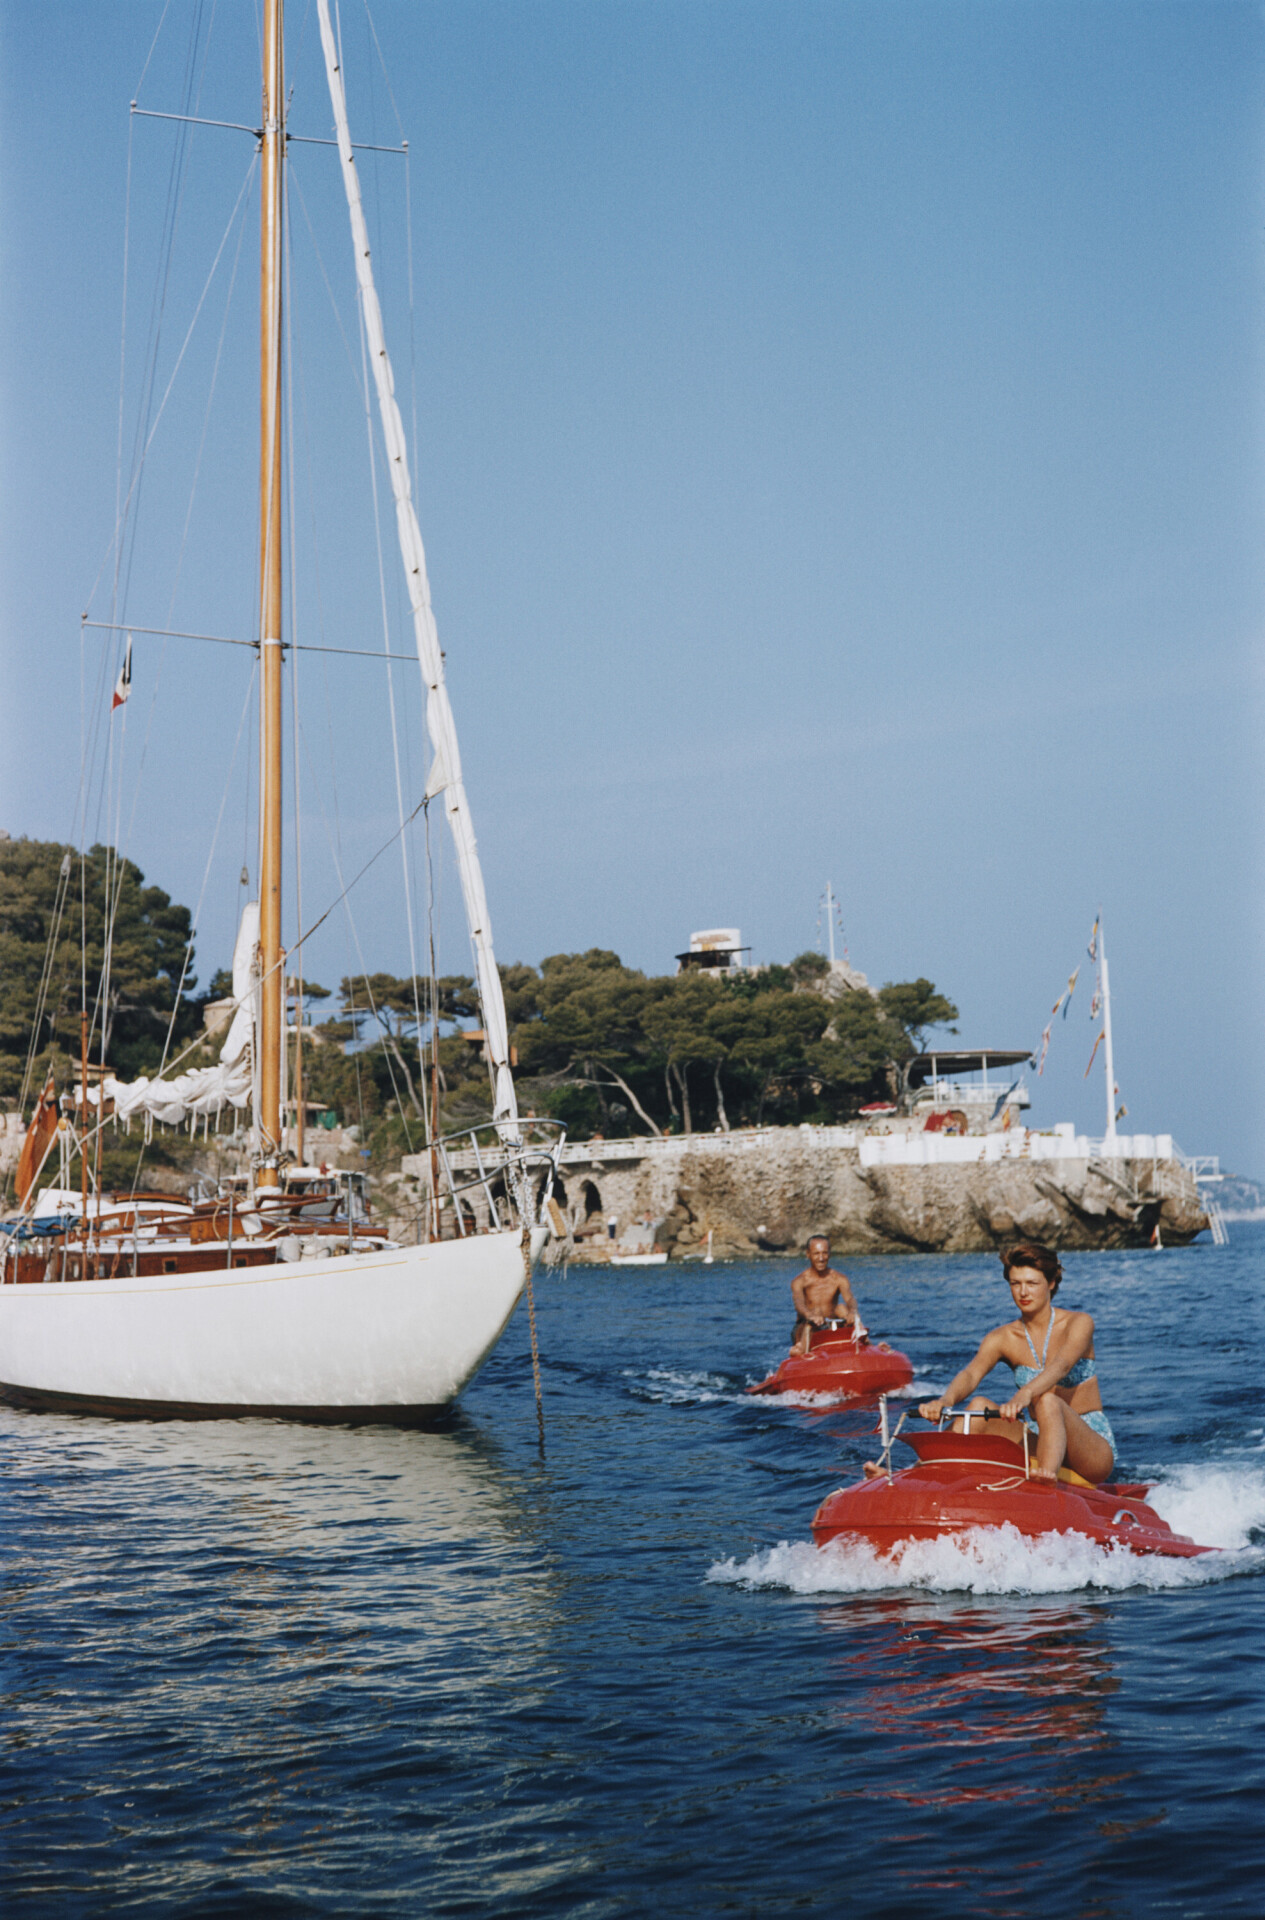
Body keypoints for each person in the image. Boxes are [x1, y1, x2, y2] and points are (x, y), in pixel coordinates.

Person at [917, 1242, 1116, 1483]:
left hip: (1089, 1448)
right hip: (1038, 1437)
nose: (1023, 1292)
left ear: (1051, 1284)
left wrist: (1026, 1393)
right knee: (978, 1407)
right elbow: (971, 1374)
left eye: (1032, 1283)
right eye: (1015, 1283)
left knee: (1047, 1401)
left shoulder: (1079, 1323)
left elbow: (1062, 1364)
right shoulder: (1003, 1338)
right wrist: (945, 1401)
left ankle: (1045, 1480)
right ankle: (916, 1473)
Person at [790, 1236, 866, 1356]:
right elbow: (798, 1302)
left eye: (824, 1253)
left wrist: (853, 1311)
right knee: (814, 1314)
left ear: (830, 1254)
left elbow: (850, 1298)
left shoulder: (839, 1279)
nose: (821, 1258)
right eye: (816, 1254)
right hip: (807, 1326)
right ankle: (800, 1351)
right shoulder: (800, 1281)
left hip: (831, 1325)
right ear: (808, 1254)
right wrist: (810, 1315)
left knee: (841, 1308)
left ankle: (867, 1344)